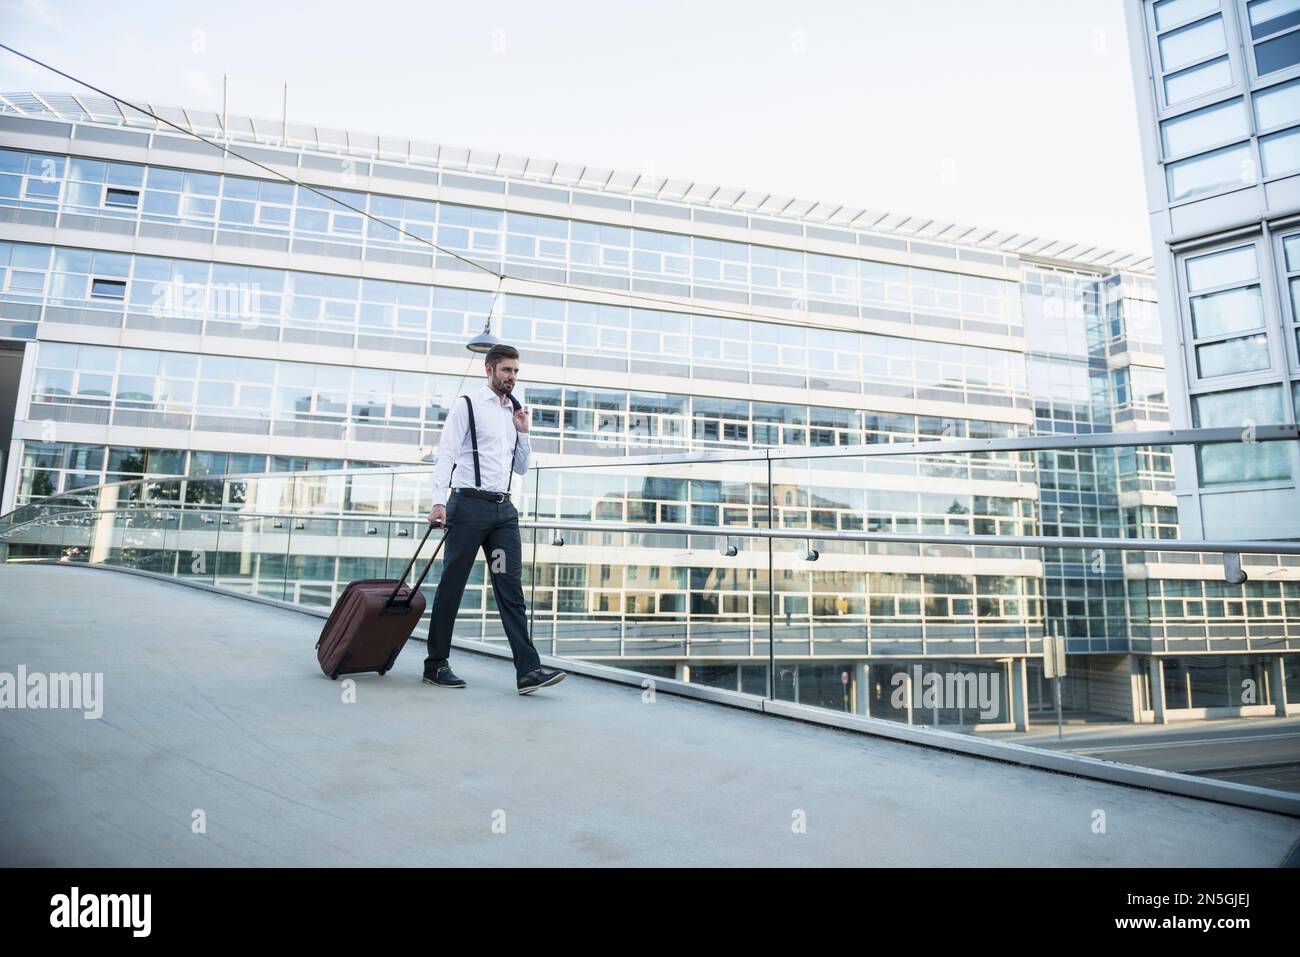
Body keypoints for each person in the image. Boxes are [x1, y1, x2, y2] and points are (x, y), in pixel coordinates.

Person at [423, 343, 565, 695]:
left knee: (510, 589)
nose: (512, 378)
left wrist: (524, 432)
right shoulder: (468, 405)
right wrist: (438, 501)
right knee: (452, 586)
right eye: (506, 371)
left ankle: (528, 671)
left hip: (503, 513)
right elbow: (446, 455)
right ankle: (435, 664)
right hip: (467, 507)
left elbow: (521, 467)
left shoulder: (513, 412)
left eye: (516, 371)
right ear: (489, 370)